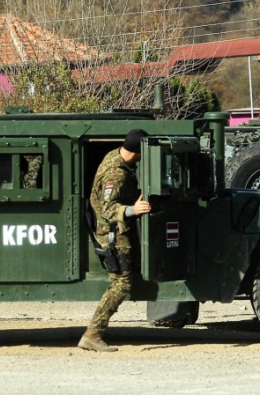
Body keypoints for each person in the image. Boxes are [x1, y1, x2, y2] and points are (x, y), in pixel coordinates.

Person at [78, 129, 151, 353]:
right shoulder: (116, 173)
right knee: (122, 283)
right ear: (138, 152)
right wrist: (133, 209)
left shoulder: (116, 156)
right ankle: (92, 334)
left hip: (118, 229)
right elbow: (109, 209)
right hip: (112, 232)